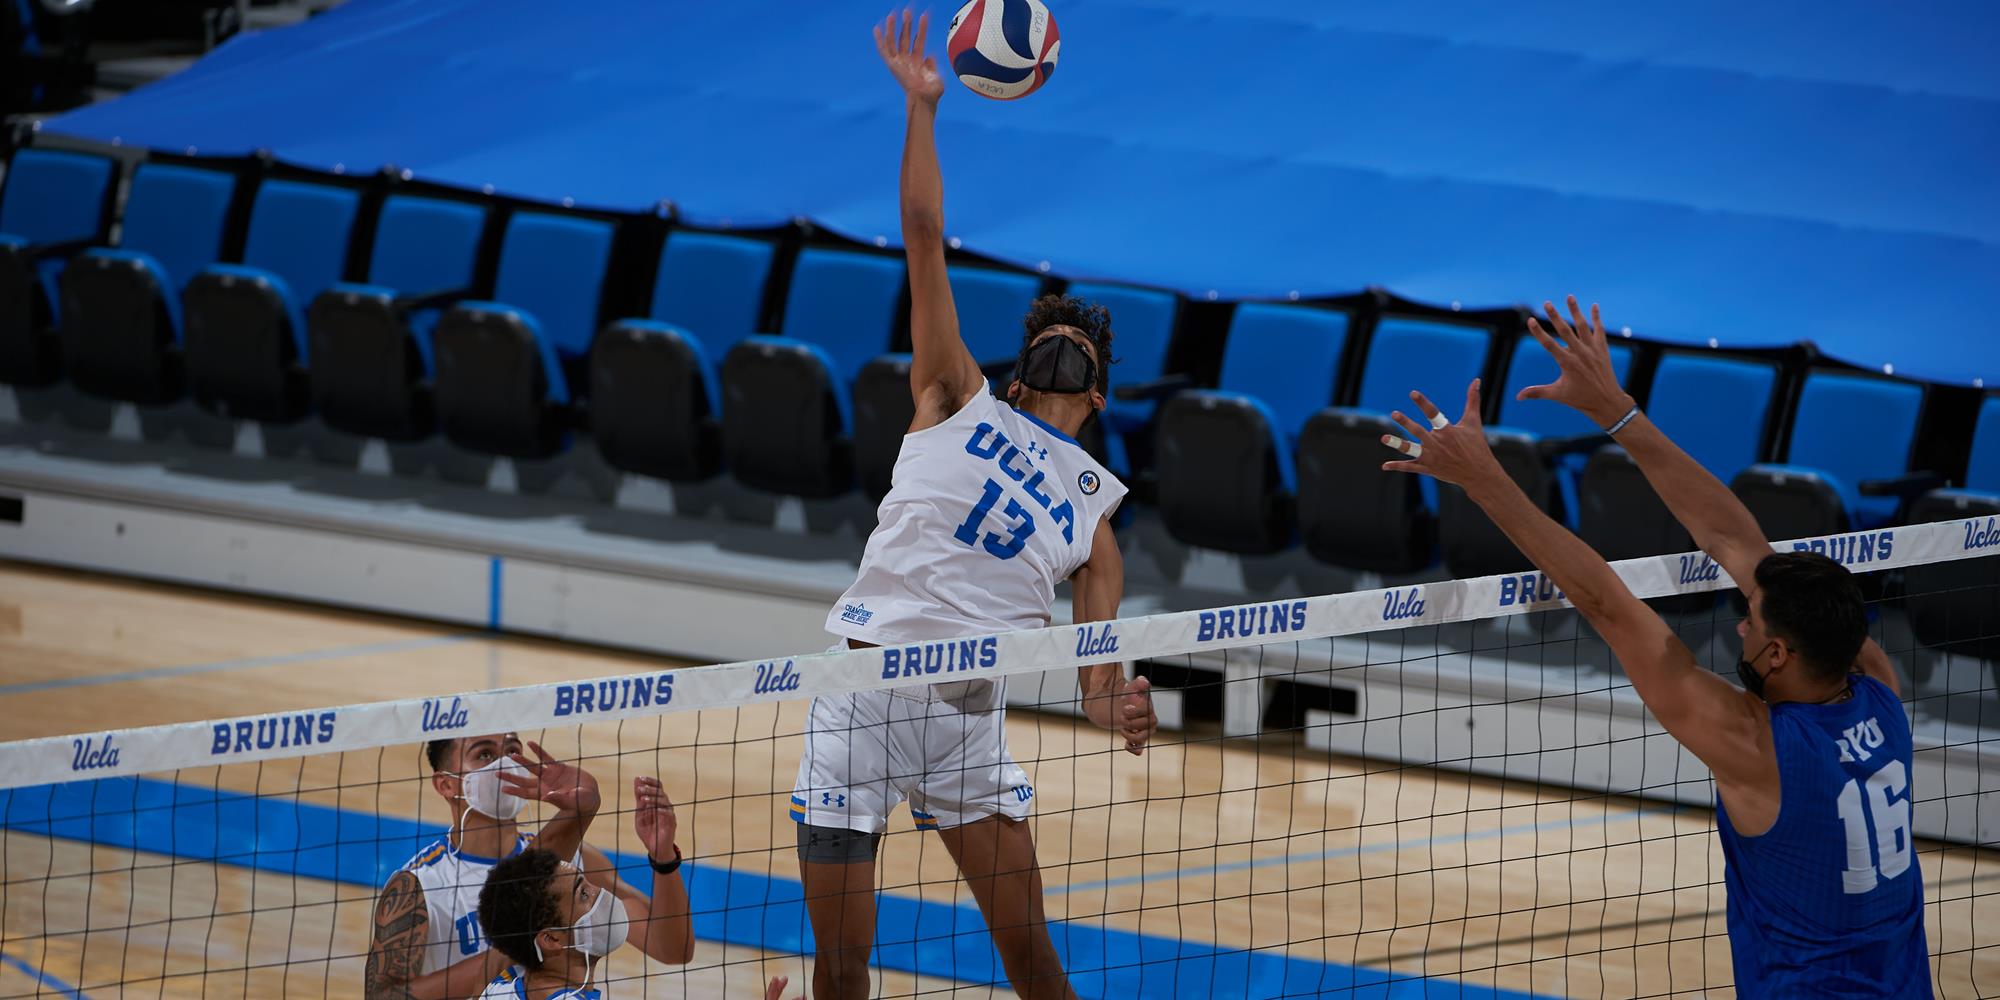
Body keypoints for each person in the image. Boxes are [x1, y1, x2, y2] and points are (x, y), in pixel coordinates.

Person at [1379, 296, 1930, 996]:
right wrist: (1617, 410)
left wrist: (1484, 481)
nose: (1740, 624)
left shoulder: (1755, 747)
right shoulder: (1877, 686)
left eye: (1752, 621)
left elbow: (1606, 602)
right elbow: (1735, 541)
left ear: (1782, 654)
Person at [786, 11, 1158, 1000]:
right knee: (840, 966)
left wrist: (1114, 700)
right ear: (1026, 361)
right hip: (859, 699)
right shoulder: (953, 390)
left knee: (1031, 959)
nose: (1069, 335)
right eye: (1055, 327)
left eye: (1084, 338)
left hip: (965, 726)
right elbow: (921, 240)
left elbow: (1090, 671)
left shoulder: (1095, 516)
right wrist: (921, 110)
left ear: (1098, 395)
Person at [364, 734, 693, 998]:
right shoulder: (419, 884)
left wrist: (663, 859)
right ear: (447, 784)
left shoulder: (573, 862)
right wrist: (510, 949)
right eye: (485, 755)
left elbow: (672, 948)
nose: (505, 763)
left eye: (512, 749)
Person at [474, 776, 693, 999]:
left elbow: (674, 948)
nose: (601, 893)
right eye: (585, 893)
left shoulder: (499, 982)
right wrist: (582, 807)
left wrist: (664, 858)